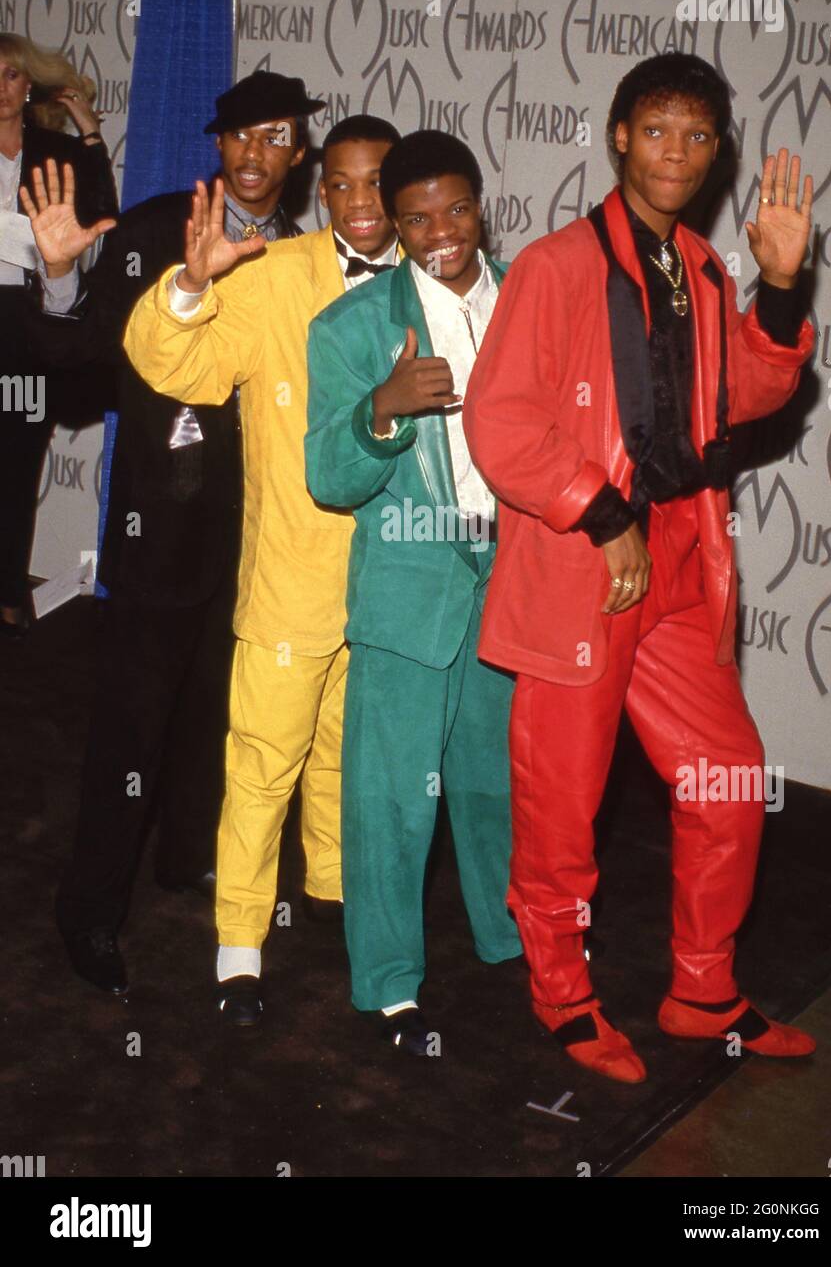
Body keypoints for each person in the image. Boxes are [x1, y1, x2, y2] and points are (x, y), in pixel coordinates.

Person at [463, 53, 817, 1083]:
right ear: (617, 135)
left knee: (728, 779)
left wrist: (781, 289)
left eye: (696, 136)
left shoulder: (703, 270)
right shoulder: (555, 265)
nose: (676, 151)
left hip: (679, 559)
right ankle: (561, 993)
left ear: (716, 155)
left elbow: (737, 398)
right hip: (587, 563)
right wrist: (601, 510)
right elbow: (501, 422)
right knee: (561, 806)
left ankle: (701, 989)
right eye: (656, 129)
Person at [21, 71, 318, 995]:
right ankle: (90, 913)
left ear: (298, 153)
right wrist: (64, 276)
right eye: (240, 136)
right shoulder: (155, 229)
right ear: (216, 146)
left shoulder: (307, 259)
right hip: (160, 532)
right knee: (128, 734)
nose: (255, 154)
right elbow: (76, 369)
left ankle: (188, 857)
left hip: (260, 534)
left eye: (276, 137)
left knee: (216, 724)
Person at [123, 114, 402, 1025]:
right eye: (343, 185)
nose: (359, 204)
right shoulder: (277, 275)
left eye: (378, 184)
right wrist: (190, 287)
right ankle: (238, 945)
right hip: (291, 570)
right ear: (322, 189)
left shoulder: (434, 286)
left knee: (349, 758)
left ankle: (330, 890)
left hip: (397, 581)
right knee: (261, 764)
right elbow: (178, 366)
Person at [305, 130, 522, 1056]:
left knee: (499, 787)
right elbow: (329, 476)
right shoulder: (350, 328)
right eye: (417, 219)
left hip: (512, 584)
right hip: (408, 588)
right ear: (391, 227)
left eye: (458, 209)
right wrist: (382, 409)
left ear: (482, 202)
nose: (443, 234)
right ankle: (389, 984)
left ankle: (511, 943)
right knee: (391, 799)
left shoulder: (529, 298)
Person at [0, 32, 117, 639]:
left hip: (26, 327)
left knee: (18, 465)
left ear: (29, 84)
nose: (1, 87)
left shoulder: (51, 150)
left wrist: (88, 129)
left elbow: (102, 212)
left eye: (12, 75)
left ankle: (8, 593)